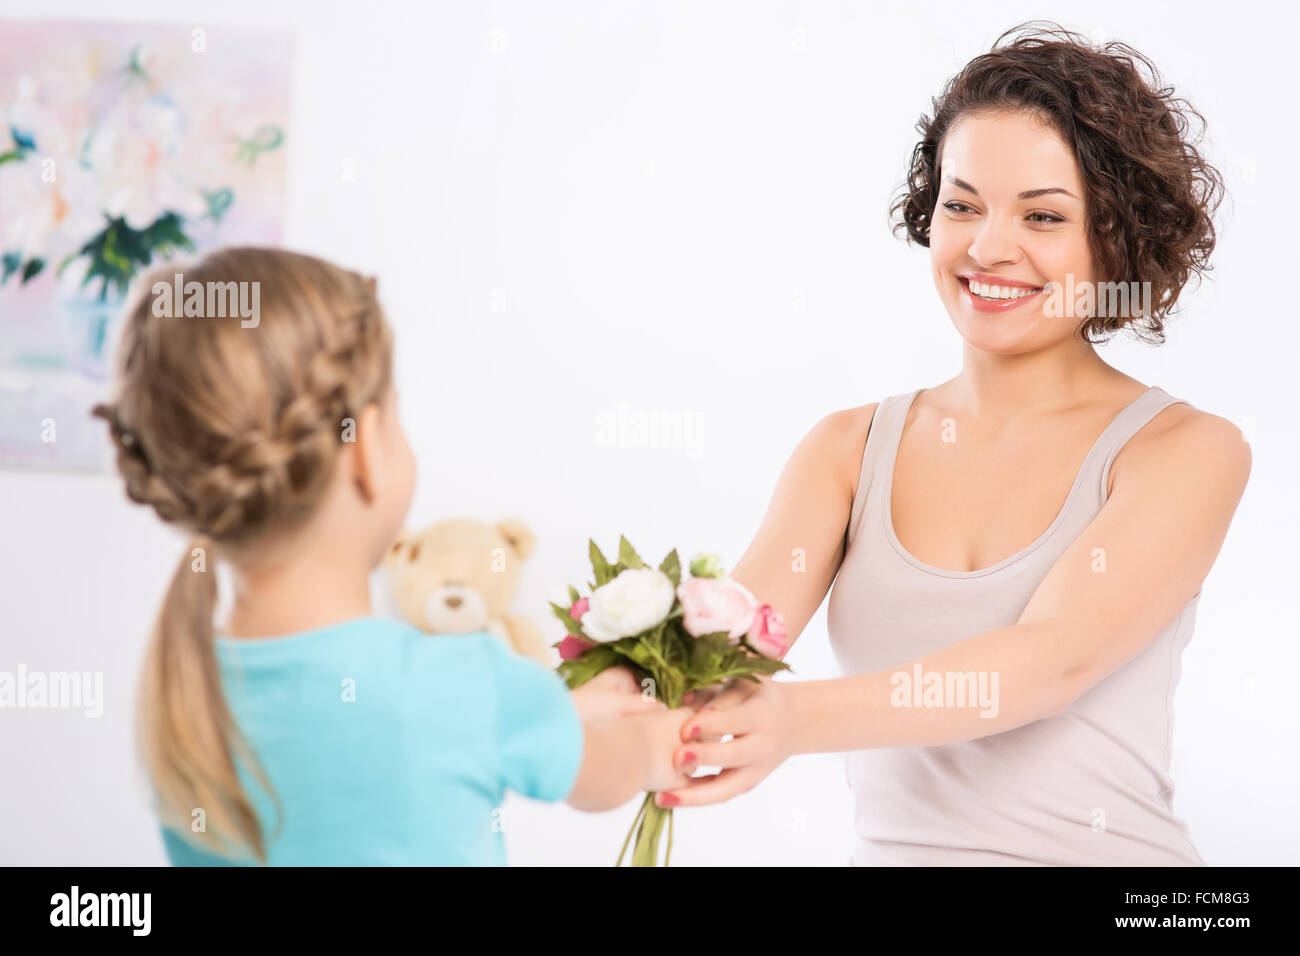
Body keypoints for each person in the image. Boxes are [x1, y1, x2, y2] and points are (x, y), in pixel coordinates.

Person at [653, 23, 1250, 865]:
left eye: (1043, 215)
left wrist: (790, 720)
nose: (987, 247)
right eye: (961, 204)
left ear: (1117, 237)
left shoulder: (1186, 449)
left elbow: (1046, 665)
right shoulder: (847, 449)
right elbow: (723, 651)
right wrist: (616, 685)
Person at [95, 246, 691, 865]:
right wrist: (661, 739)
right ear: (366, 449)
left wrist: (550, 712)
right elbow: (614, 770)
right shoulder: (470, 684)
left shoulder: (180, 691)